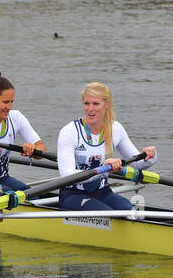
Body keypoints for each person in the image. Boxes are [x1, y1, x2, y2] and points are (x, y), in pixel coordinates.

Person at [54, 83, 156, 212]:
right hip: (73, 194)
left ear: (106, 104)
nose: (90, 109)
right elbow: (66, 176)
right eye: (86, 104)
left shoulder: (116, 129)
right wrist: (103, 168)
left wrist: (150, 155)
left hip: (103, 193)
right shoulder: (69, 132)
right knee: (108, 214)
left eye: (96, 104)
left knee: (132, 212)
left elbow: (139, 165)